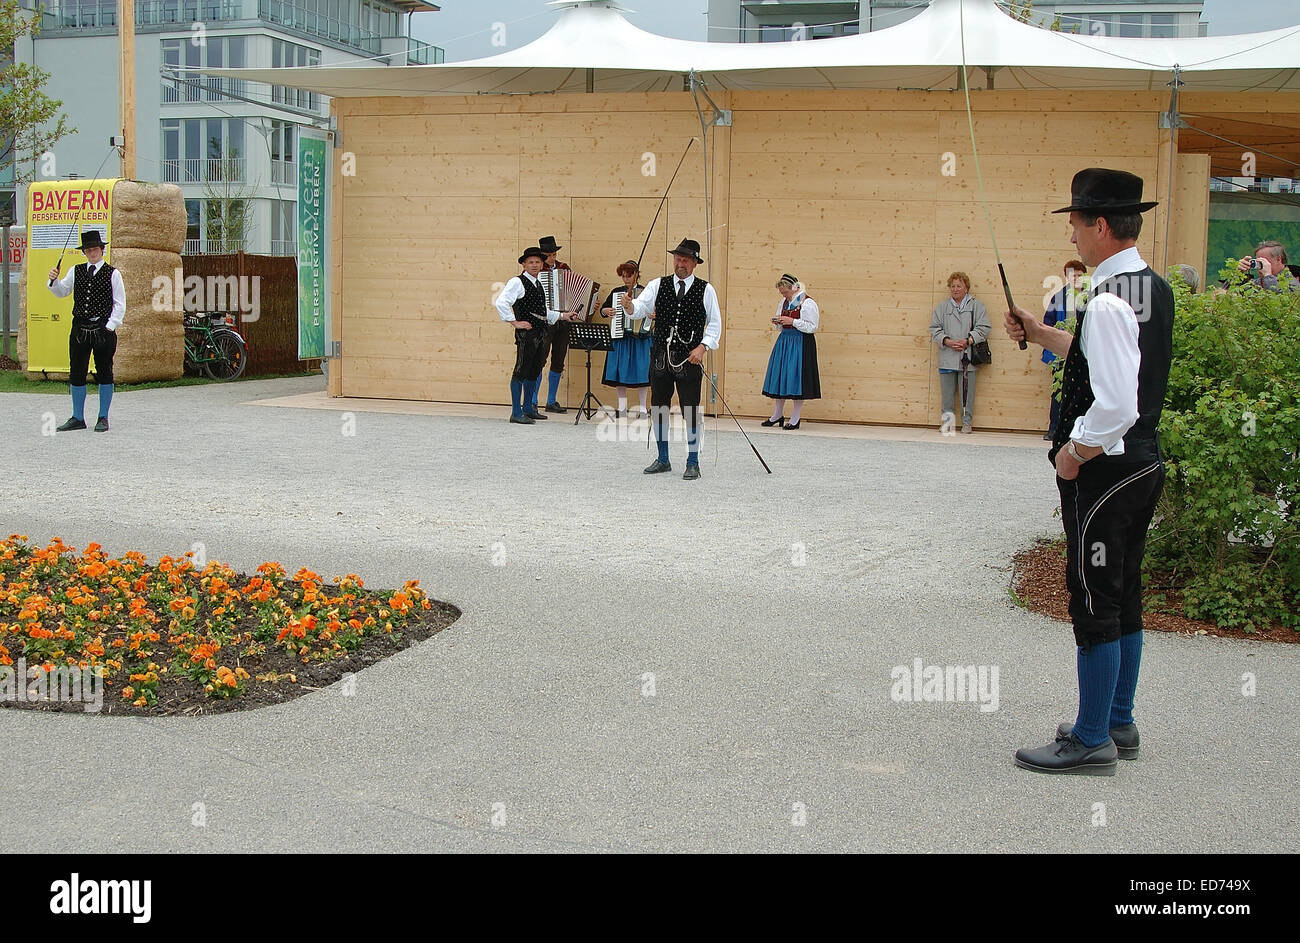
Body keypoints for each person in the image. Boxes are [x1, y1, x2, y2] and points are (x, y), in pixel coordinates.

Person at [1005, 167, 1174, 777]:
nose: (1072, 235)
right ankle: (1118, 719)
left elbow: (1116, 403)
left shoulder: (1106, 300)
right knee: (1124, 590)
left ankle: (1092, 737)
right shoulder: (1148, 287)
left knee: (1092, 596)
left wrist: (1073, 454)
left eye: (1076, 222)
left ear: (1101, 225)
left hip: (1106, 471)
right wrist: (1040, 331)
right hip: (1143, 463)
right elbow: (1108, 356)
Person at [623, 238, 721, 480]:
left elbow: (715, 324)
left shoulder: (706, 289)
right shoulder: (658, 284)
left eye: (686, 259)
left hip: (689, 358)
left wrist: (703, 347)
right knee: (659, 408)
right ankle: (663, 458)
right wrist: (628, 306)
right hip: (660, 358)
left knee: (690, 410)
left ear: (695, 263)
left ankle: (693, 461)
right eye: (677, 258)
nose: (680, 263)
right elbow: (641, 308)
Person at [47, 230, 125, 433]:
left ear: (102, 250)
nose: (92, 253)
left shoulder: (113, 273)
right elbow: (62, 291)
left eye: (95, 249)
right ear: (85, 252)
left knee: (104, 371)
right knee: (77, 371)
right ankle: (77, 417)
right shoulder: (76, 270)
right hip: (79, 328)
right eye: (88, 250)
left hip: (102, 328)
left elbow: (119, 304)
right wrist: (53, 281)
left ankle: (103, 417)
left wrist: (109, 326)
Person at [493, 246, 578, 424]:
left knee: (534, 370)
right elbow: (501, 302)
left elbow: (543, 312)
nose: (534, 265)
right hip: (527, 334)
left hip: (541, 332)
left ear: (541, 264)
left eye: (537, 262)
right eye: (530, 262)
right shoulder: (517, 282)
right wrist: (514, 322)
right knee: (521, 370)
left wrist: (563, 315)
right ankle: (516, 412)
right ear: (523, 264)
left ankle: (528, 408)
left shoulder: (538, 283)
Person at [928, 272, 990, 434]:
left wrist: (968, 340)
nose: (955, 289)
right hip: (947, 357)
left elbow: (983, 328)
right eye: (953, 286)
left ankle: (966, 423)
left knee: (967, 395)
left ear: (966, 288)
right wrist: (947, 341)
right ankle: (947, 424)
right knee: (947, 395)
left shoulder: (977, 306)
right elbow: (934, 328)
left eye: (959, 286)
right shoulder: (942, 307)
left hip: (967, 358)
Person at [761, 273, 821, 429]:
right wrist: (778, 322)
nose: (784, 296)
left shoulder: (808, 303)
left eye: (786, 293)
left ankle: (795, 417)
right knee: (780, 376)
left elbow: (812, 326)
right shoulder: (784, 302)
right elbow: (781, 326)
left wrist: (792, 321)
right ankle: (778, 413)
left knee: (796, 378)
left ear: (794, 288)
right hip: (785, 341)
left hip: (800, 343)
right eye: (782, 293)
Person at [1041, 260, 1087, 440]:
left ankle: (1079, 431)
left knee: (1083, 390)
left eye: (1079, 275)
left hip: (1083, 351)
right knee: (1059, 390)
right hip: (1061, 351)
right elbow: (1048, 322)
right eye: (1072, 275)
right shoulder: (1058, 297)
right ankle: (1054, 428)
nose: (1076, 278)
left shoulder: (1091, 297)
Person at [599, 260, 651, 418]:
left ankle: (643, 408)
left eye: (629, 276)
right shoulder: (617, 292)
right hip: (621, 337)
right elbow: (603, 310)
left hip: (641, 338)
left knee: (643, 371)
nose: (626, 279)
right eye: (623, 276)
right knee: (619, 371)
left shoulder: (646, 292)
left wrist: (653, 316)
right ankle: (622, 408)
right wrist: (605, 311)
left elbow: (653, 310)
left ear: (636, 275)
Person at [538, 235, 574, 413]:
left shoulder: (564, 268)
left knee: (558, 360)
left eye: (554, 254)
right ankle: (532, 400)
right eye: (549, 255)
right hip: (545, 322)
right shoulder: (537, 271)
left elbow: (573, 291)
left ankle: (551, 400)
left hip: (563, 321)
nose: (552, 258)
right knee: (539, 360)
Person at [1226, 241, 1298, 292]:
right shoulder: (1257, 283)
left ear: (1278, 259)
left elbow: (1283, 299)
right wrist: (1237, 275)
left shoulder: (1292, 282)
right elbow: (1224, 297)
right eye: (1258, 263)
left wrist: (1268, 276)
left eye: (1263, 262)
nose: (1260, 267)